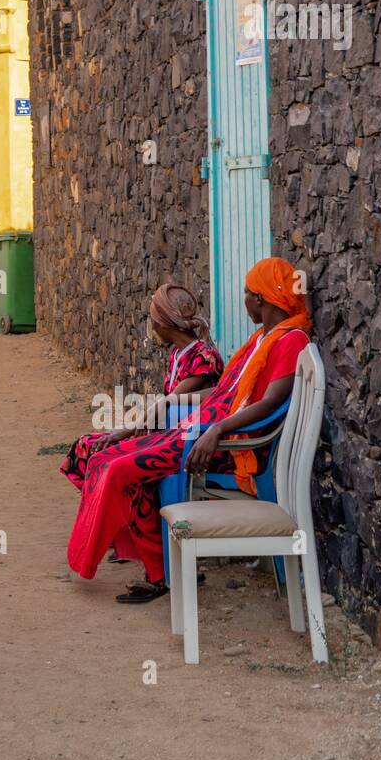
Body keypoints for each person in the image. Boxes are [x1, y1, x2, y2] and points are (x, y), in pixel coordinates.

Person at [66, 257, 312, 604]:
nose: (242, 300)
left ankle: (158, 574)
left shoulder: (290, 342)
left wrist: (217, 431)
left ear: (261, 298)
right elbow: (227, 390)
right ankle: (157, 570)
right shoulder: (265, 338)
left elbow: (270, 402)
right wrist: (149, 419)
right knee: (106, 455)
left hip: (224, 446)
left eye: (246, 293)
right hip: (198, 431)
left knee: (118, 467)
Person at [61, 282, 223, 518]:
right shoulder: (179, 354)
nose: (152, 325)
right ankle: (118, 529)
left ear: (163, 324)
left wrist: (122, 433)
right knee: (85, 447)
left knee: (98, 453)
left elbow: (170, 404)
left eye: (153, 319)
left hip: (181, 440)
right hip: (165, 430)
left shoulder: (203, 358)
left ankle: (124, 530)